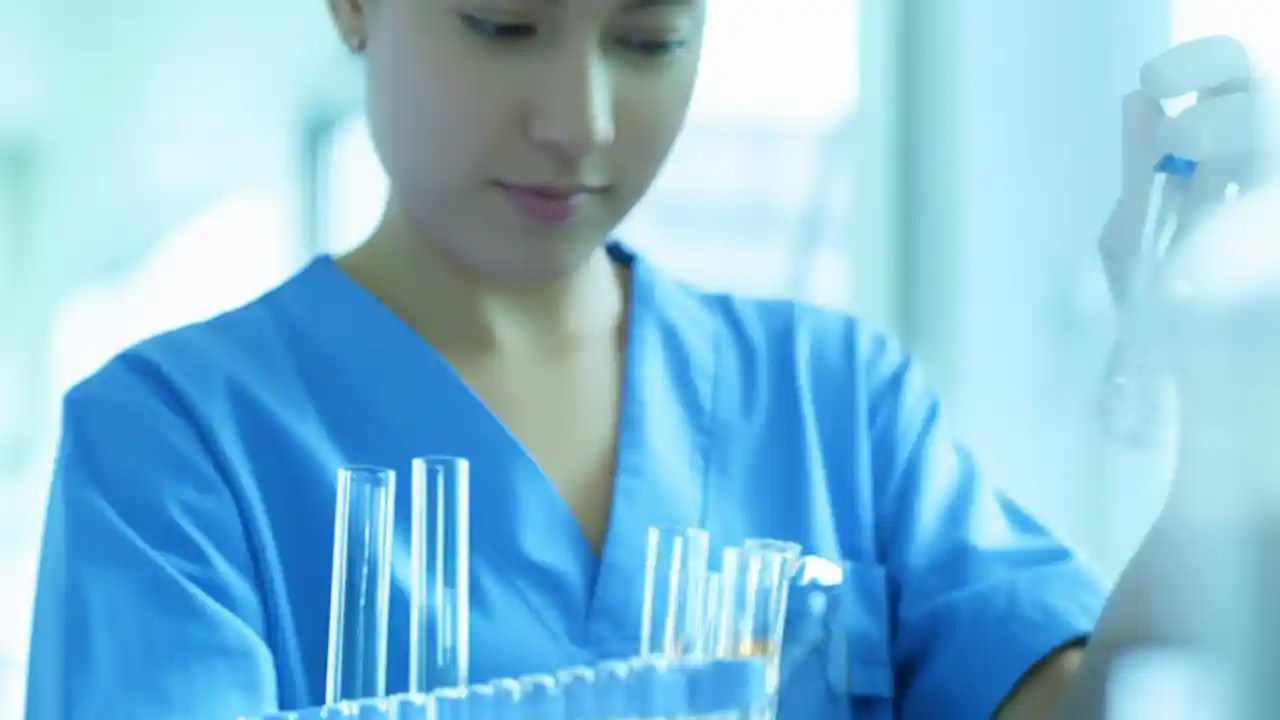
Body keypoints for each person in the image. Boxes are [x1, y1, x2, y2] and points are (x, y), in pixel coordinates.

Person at [21, 0, 1270, 716]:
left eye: (648, 38)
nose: (581, 121)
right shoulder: (176, 452)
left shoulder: (838, 409)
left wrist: (1224, 394)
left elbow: (1097, 702)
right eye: (503, 23)